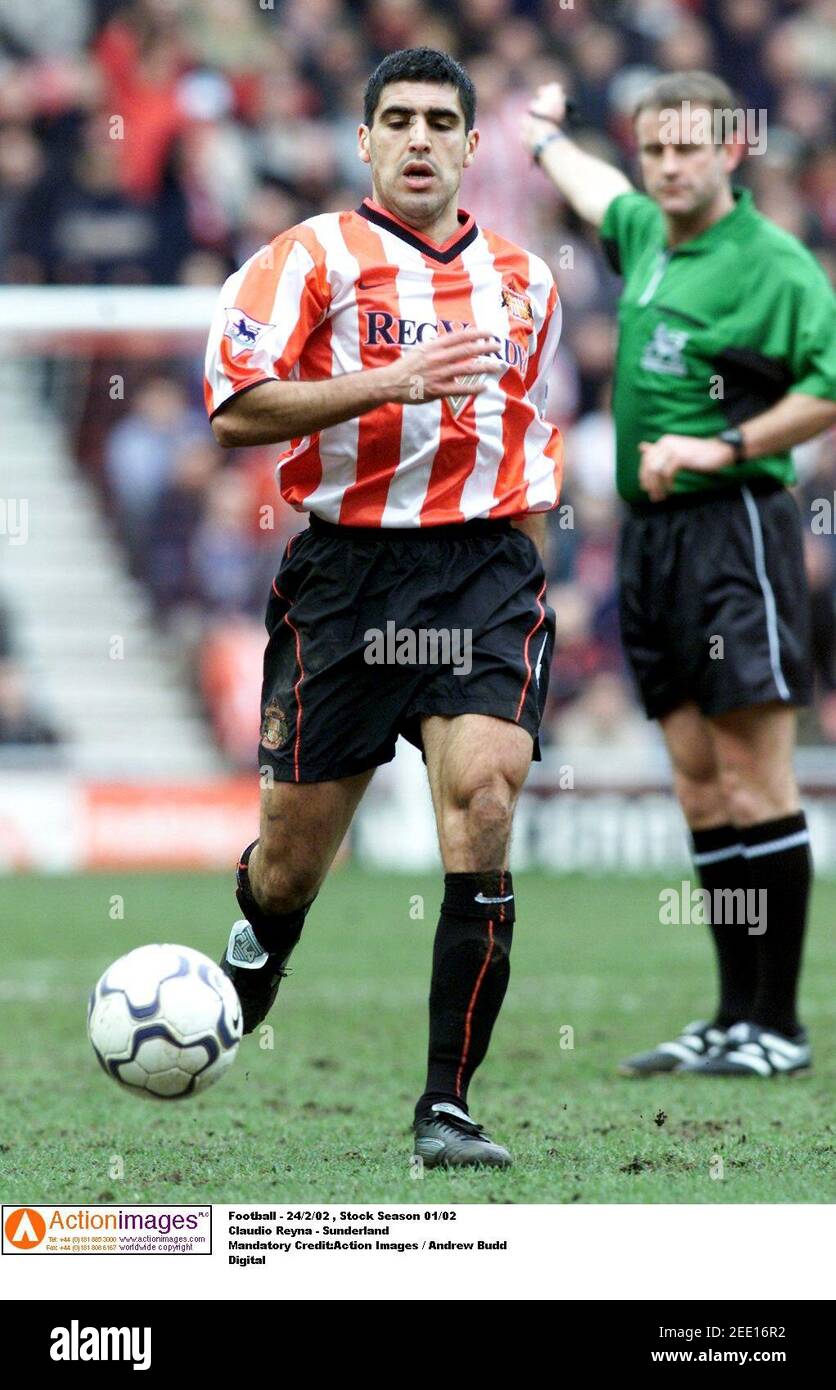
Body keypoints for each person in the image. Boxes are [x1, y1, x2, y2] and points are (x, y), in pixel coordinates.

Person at [204, 48, 563, 1166]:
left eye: (439, 121)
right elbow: (235, 409)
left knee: (484, 798)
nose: (418, 138)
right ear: (363, 142)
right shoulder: (305, 257)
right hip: (346, 581)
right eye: (396, 119)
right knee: (291, 864)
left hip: (483, 570)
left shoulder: (526, 283)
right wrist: (386, 384)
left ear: (469, 145)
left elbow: (519, 437)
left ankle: (445, 1108)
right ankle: (253, 952)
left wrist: (544, 575)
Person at [521, 70, 836, 1077]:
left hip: (731, 528)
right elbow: (590, 187)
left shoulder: (770, 264)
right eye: (652, 148)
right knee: (698, 784)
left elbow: (827, 386)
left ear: (726, 150)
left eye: (684, 148)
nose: (664, 165)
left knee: (754, 777)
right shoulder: (648, 234)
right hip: (654, 546)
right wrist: (540, 139)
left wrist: (723, 444)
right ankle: (728, 1014)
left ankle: (777, 1027)